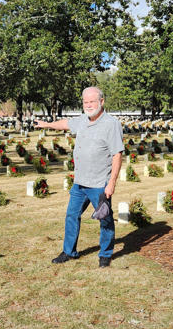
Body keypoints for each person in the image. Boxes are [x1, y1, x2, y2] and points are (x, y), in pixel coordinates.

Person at [36, 86, 123, 268]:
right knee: (71, 215)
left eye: (92, 101)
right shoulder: (83, 120)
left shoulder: (111, 124)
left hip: (99, 183)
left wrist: (112, 183)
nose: (88, 105)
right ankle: (69, 252)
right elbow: (66, 123)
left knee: (105, 219)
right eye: (85, 102)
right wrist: (47, 125)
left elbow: (117, 155)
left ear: (101, 102)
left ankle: (105, 254)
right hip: (80, 183)